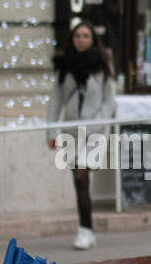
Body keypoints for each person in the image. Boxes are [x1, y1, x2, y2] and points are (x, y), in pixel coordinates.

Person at [46, 20, 116, 249]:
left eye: (86, 36)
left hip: (96, 131)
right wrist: (51, 130)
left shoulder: (104, 66)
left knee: (82, 176)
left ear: (92, 39)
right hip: (72, 132)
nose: (81, 40)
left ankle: (85, 230)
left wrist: (98, 124)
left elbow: (109, 101)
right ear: (72, 39)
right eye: (78, 36)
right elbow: (56, 101)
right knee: (80, 180)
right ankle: (87, 228)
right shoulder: (64, 67)